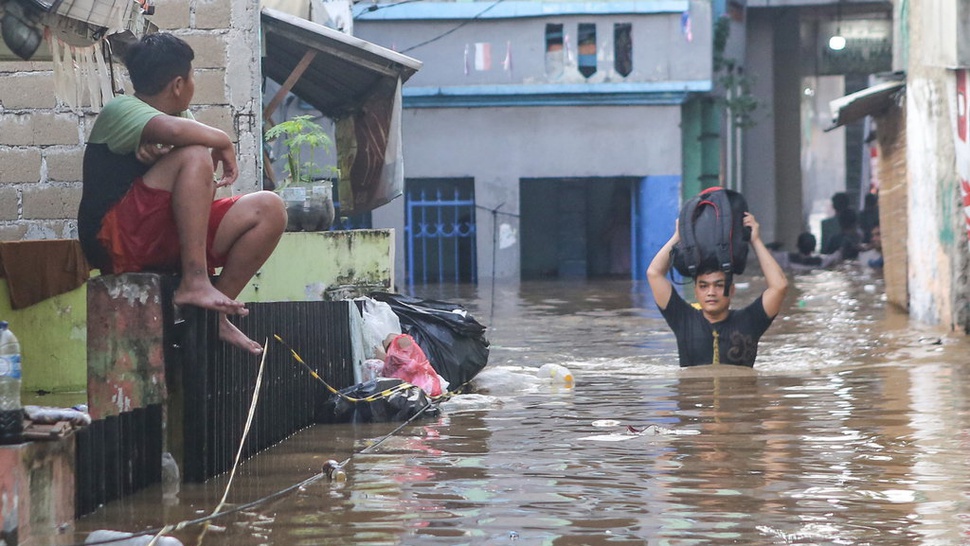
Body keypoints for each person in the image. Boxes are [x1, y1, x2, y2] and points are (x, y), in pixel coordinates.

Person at [77, 33, 287, 355]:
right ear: (178, 84)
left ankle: (214, 314)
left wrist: (181, 154)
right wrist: (222, 141)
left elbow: (198, 187)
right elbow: (179, 138)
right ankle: (195, 281)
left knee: (269, 208)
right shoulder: (121, 109)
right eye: (192, 76)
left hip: (164, 235)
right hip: (116, 241)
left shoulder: (183, 120)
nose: (193, 83)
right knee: (195, 153)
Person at [647, 212, 788, 367]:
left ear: (732, 290)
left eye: (719, 285)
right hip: (694, 392)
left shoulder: (750, 320)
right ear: (696, 291)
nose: (711, 292)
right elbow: (654, 274)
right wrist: (678, 237)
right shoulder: (683, 319)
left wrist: (755, 240)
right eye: (704, 286)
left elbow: (779, 286)